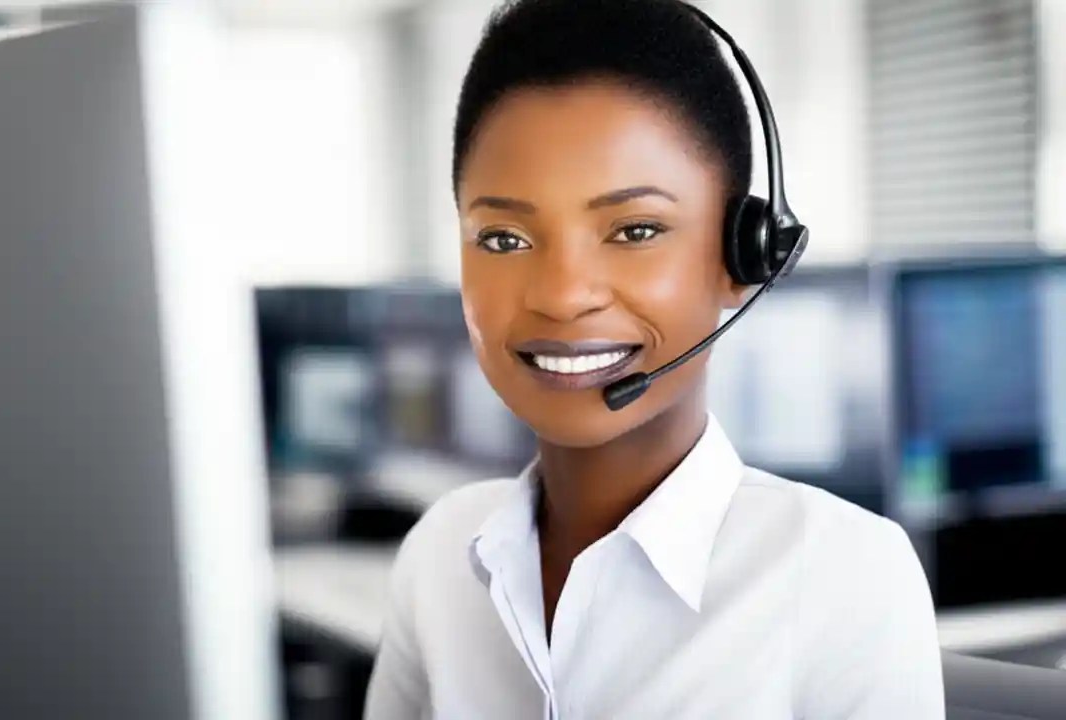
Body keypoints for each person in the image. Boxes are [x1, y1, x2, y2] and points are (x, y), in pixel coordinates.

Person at [363, 0, 945, 718]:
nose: (563, 296)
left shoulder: (842, 573)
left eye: (635, 229)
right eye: (504, 239)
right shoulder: (441, 553)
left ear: (745, 255)